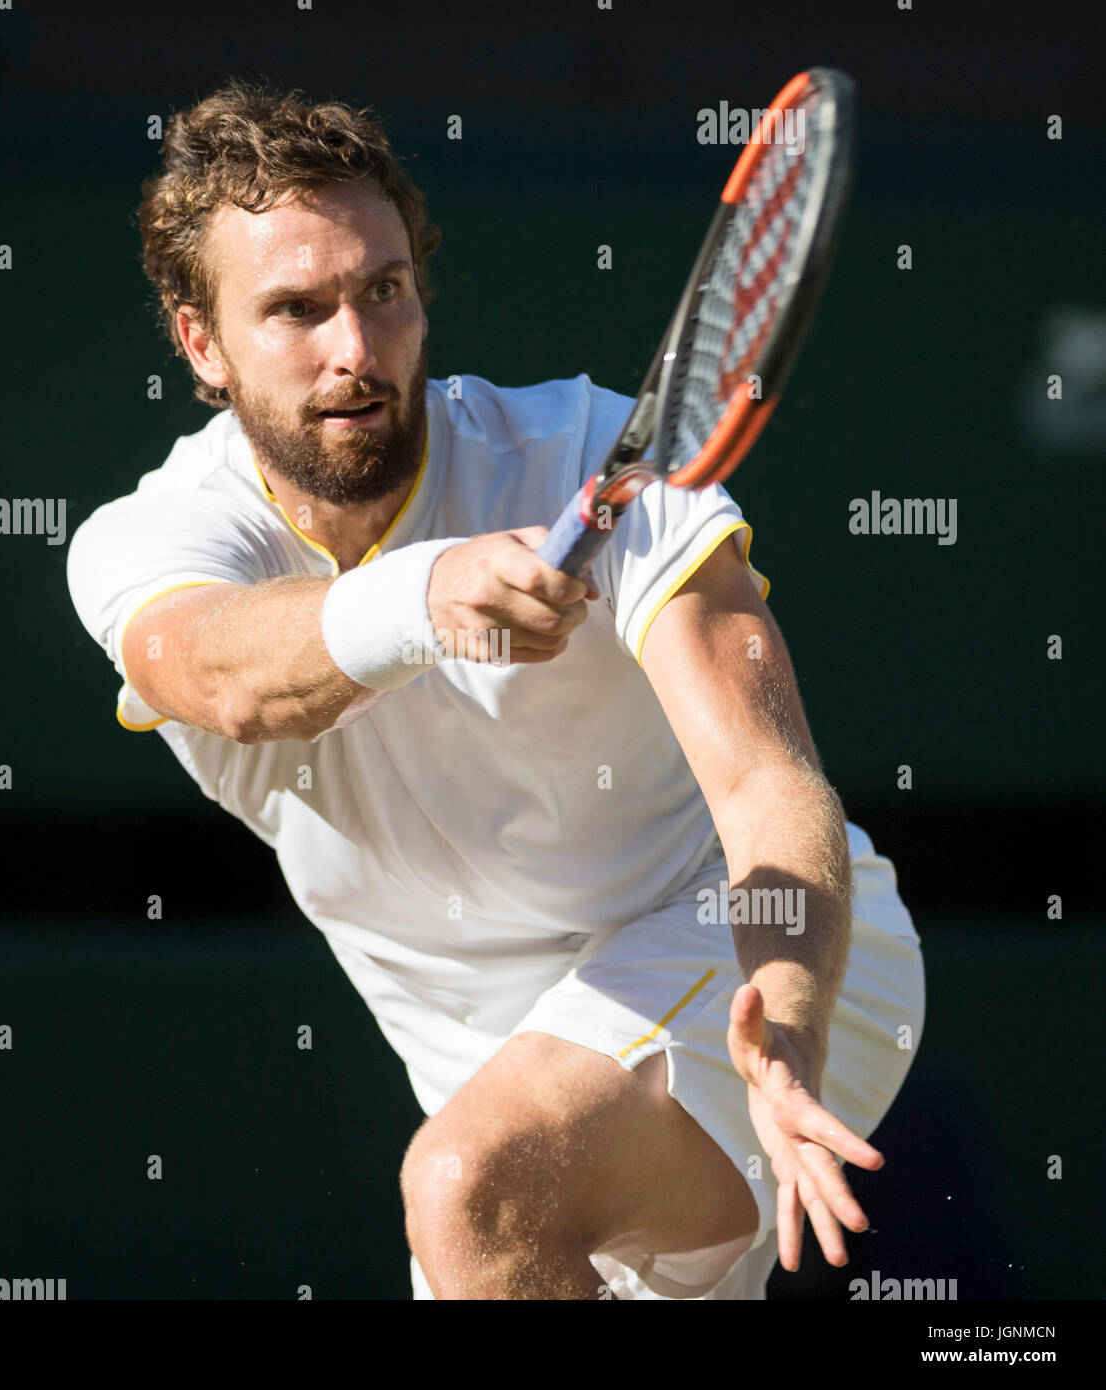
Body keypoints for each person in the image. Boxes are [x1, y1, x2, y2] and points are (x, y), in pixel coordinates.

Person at [67, 78, 925, 1300]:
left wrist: (787, 1008)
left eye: (382, 290)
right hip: (502, 1086)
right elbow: (209, 670)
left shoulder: (590, 455)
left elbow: (767, 785)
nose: (354, 350)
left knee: (467, 1185)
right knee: (476, 1191)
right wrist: (421, 600)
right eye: (296, 311)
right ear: (201, 342)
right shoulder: (146, 541)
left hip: (754, 962)